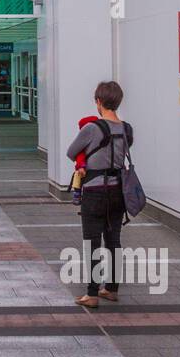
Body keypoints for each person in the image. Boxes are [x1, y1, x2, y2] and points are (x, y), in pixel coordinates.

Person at [65, 81, 134, 309]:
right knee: (113, 240)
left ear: (98, 101)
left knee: (92, 242)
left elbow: (71, 152)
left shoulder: (92, 128)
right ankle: (111, 289)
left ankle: (92, 294)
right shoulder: (127, 129)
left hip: (95, 191)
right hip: (118, 192)